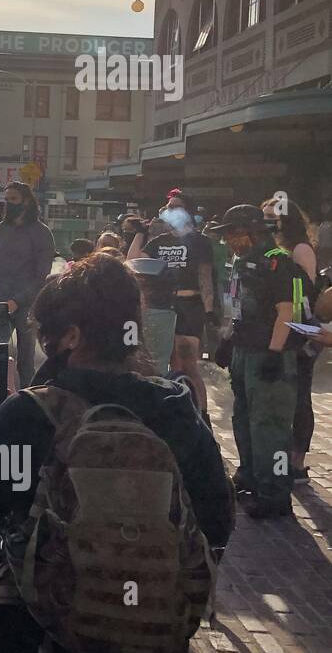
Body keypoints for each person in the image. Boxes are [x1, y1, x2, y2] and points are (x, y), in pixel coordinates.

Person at [0, 253, 232, 653]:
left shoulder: (30, 410)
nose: (42, 342)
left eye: (46, 333)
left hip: (34, 642)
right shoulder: (177, 408)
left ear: (72, 336)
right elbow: (217, 522)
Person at [207, 204, 303, 519]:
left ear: (253, 231)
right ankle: (249, 476)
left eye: (234, 233)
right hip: (244, 350)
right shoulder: (242, 262)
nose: (230, 241)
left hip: (269, 353)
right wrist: (227, 341)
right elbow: (238, 308)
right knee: (243, 417)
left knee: (271, 426)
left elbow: (286, 313)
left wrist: (275, 354)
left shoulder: (277, 264)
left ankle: (275, 494)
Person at [0, 182, 56, 386]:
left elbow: (41, 277)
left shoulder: (41, 232)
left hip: (28, 306)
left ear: (27, 201)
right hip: (0, 305)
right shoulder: (2, 229)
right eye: (6, 199)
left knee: (25, 362)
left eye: (13, 199)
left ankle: (27, 399)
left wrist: (18, 300)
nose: (8, 203)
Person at [135, 194, 217, 417]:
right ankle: (170, 411)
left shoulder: (200, 241)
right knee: (163, 361)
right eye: (168, 208)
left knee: (187, 362)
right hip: (160, 306)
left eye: (177, 208)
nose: (171, 211)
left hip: (189, 305)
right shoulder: (158, 242)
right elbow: (133, 263)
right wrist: (141, 232)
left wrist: (209, 311)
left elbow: (205, 277)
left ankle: (201, 414)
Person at [261, 195, 318, 483]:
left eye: (274, 217)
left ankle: (297, 461)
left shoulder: (300, 249)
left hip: (301, 333)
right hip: (275, 329)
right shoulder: (270, 250)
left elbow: (308, 298)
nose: (269, 222)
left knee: (299, 396)